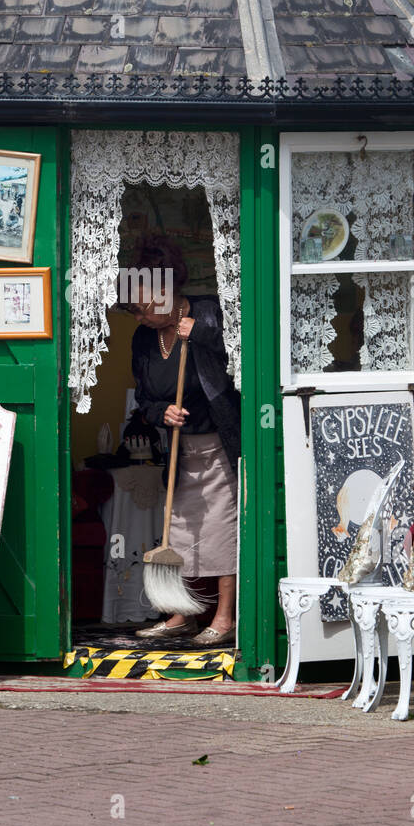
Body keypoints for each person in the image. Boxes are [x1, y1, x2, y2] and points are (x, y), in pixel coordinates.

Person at [127, 234, 240, 646]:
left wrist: (203, 333)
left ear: (165, 294)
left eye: (142, 308)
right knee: (177, 534)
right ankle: (181, 613)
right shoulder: (143, 338)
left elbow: (238, 357)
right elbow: (144, 398)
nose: (138, 317)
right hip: (178, 449)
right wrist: (162, 413)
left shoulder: (209, 312)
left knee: (220, 531)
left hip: (218, 446)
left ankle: (224, 618)